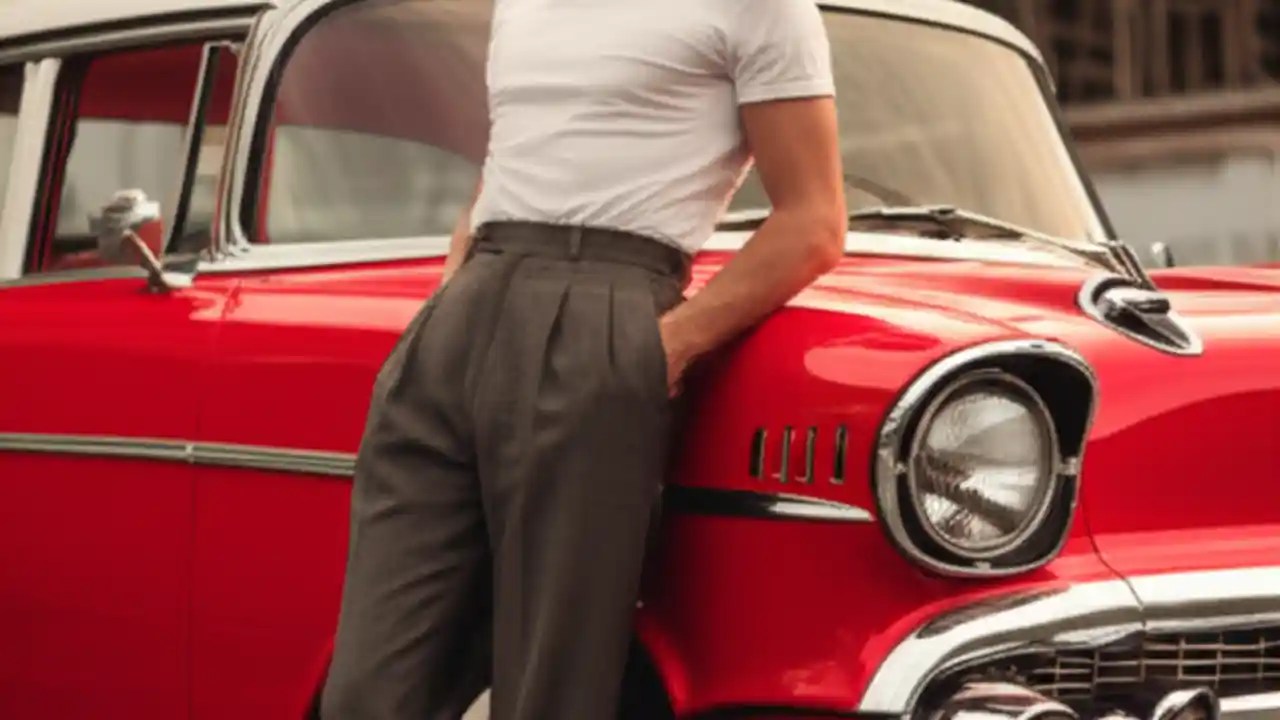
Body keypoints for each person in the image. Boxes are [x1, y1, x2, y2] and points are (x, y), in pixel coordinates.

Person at [319, 0, 847, 718]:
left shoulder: (762, 8)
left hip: (607, 310)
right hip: (468, 310)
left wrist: (666, 347)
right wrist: (454, 283)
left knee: (551, 685)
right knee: (367, 691)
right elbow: (516, 153)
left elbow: (814, 221)